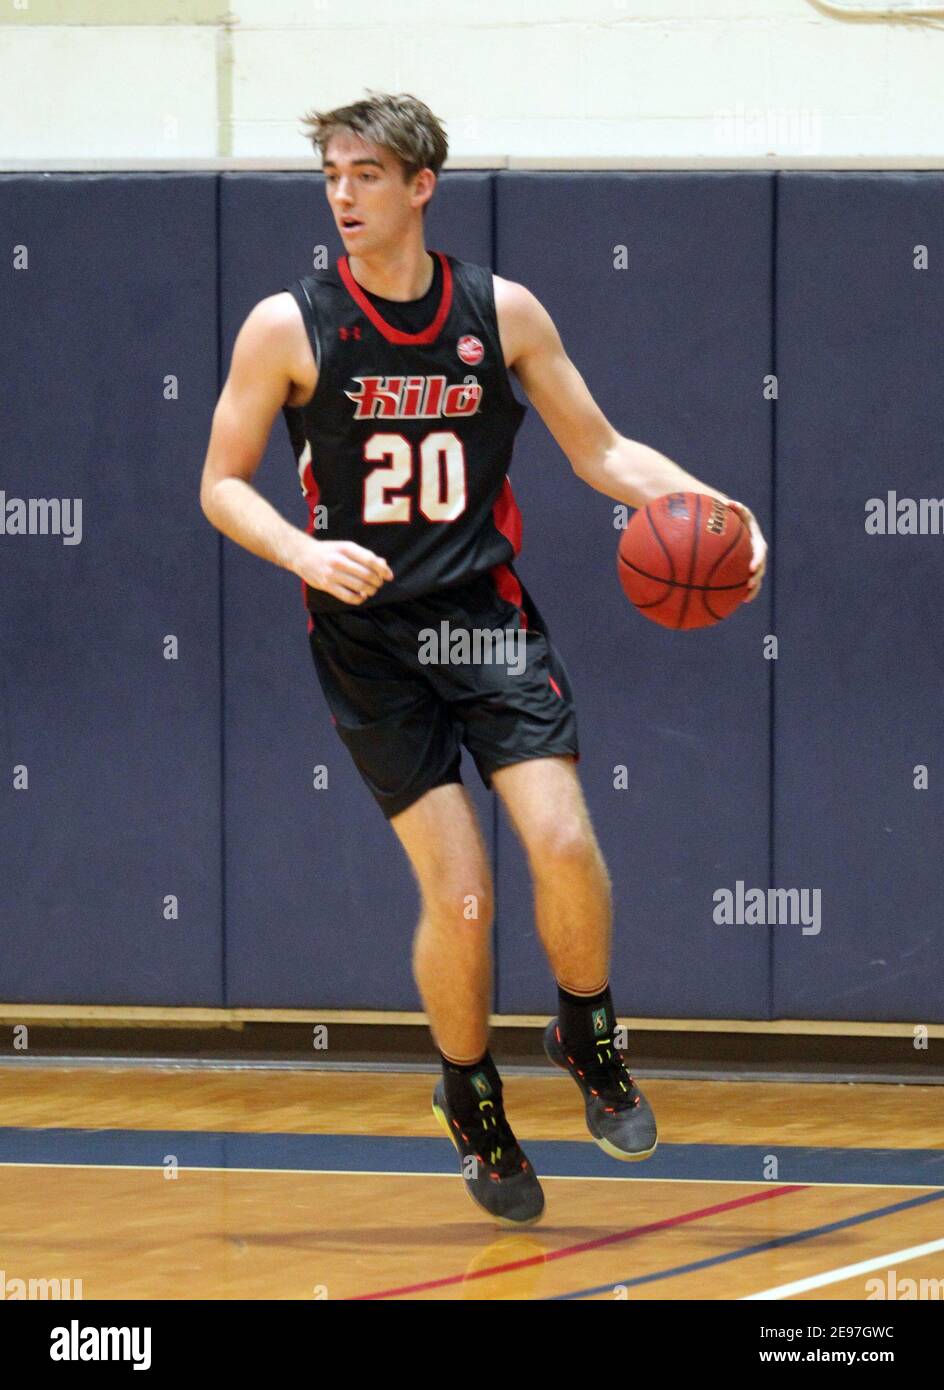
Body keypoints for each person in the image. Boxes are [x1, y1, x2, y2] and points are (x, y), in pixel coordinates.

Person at [200, 91, 768, 1227]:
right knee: (460, 895)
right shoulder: (286, 325)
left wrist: (714, 507)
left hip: (486, 615)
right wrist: (302, 552)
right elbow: (220, 483)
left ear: (421, 185)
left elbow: (599, 449)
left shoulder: (497, 313)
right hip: (366, 641)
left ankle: (586, 1027)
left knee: (560, 837)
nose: (343, 195)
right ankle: (470, 1097)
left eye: (366, 174)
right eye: (330, 175)